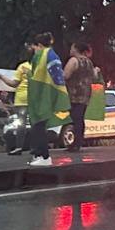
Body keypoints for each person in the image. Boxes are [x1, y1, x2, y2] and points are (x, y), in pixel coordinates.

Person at [23, 32, 67, 167]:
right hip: (53, 94)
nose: (34, 50)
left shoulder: (42, 56)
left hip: (43, 96)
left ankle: (44, 156)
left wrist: (28, 74)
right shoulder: (53, 55)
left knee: (38, 126)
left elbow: (38, 78)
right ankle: (40, 155)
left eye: (35, 46)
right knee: (40, 126)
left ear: (40, 45)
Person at [63, 42, 97, 153]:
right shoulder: (89, 62)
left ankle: (76, 143)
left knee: (75, 118)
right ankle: (78, 141)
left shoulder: (74, 61)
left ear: (76, 49)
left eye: (72, 48)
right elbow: (94, 76)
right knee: (80, 117)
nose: (70, 50)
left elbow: (66, 75)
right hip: (86, 93)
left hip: (74, 92)